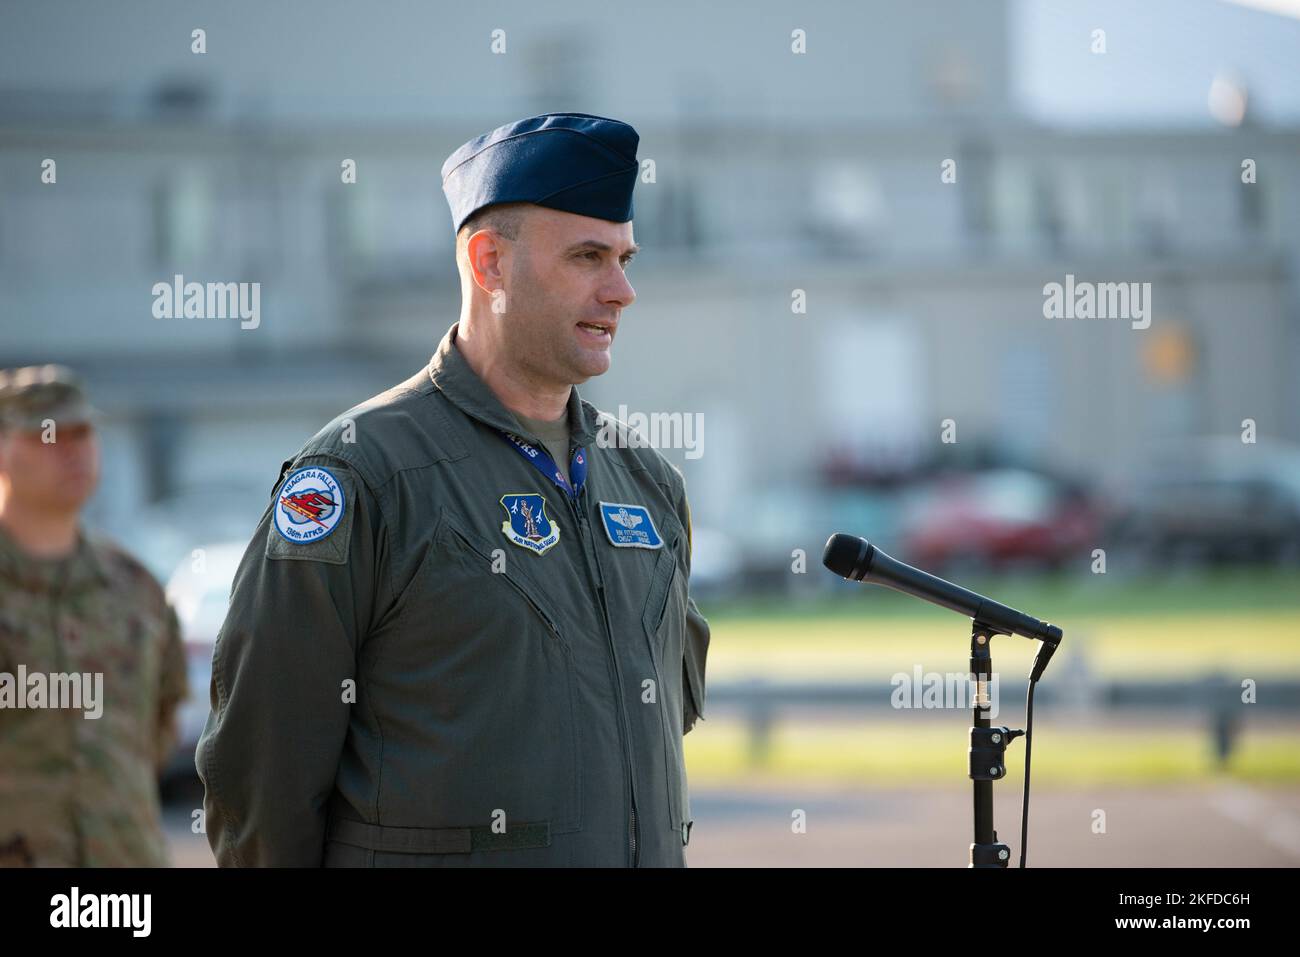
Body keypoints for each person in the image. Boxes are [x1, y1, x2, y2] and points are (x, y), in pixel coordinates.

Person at [197, 112, 711, 867]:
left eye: (626, 257)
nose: (623, 289)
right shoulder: (362, 476)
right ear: (488, 262)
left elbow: (667, 715)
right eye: (588, 256)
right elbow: (262, 775)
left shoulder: (645, 482)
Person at [0, 365, 189, 867]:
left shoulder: (135, 589)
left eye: (82, 433)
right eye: (47, 434)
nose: (71, 451)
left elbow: (157, 729)